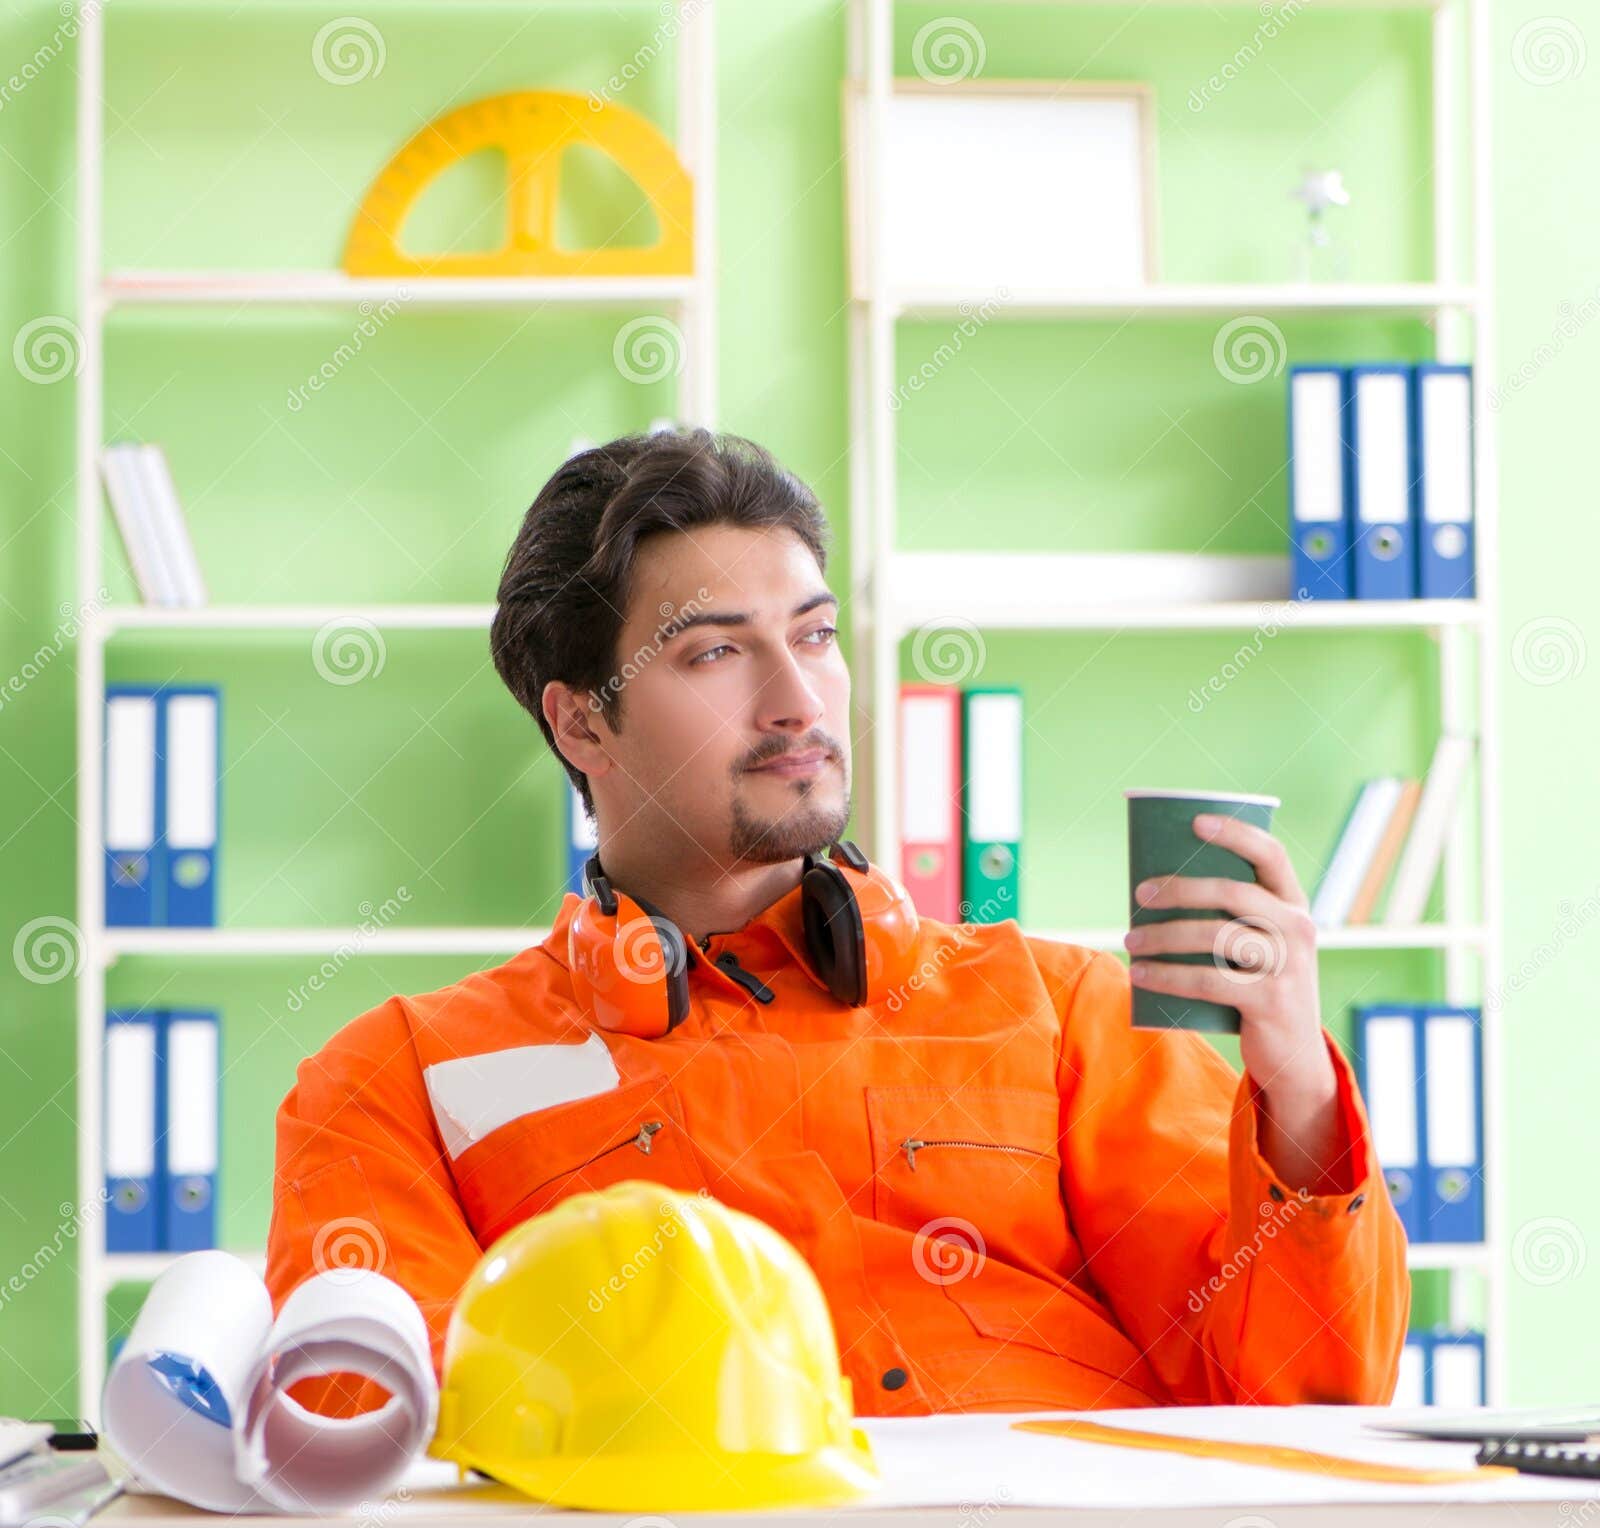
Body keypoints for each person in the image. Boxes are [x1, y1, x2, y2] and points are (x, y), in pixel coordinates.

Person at [267, 428, 1408, 1418]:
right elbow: (379, 1448)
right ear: (582, 725)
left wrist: (1299, 1091)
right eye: (716, 652)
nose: (799, 699)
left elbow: (1304, 1398)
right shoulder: (395, 1083)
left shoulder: (1064, 1014)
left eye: (813, 636)